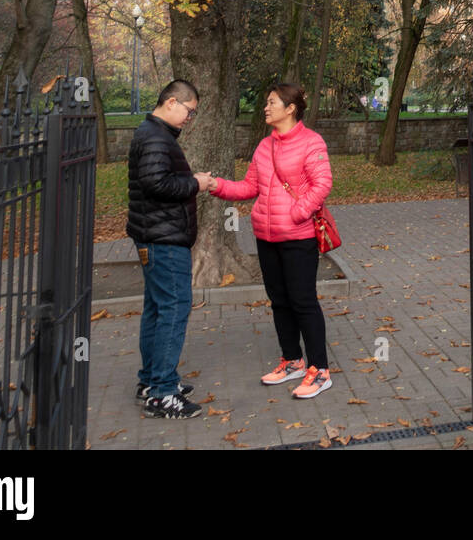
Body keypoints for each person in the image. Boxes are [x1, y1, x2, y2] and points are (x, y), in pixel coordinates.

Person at [205, 82, 334, 399]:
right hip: (266, 235)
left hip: (298, 236)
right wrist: (217, 185)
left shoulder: (311, 142)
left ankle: (320, 371)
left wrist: (297, 212)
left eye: (272, 102)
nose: (266, 107)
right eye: (266, 102)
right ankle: (292, 360)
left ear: (290, 108)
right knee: (279, 302)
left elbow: (322, 183)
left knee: (303, 301)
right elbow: (250, 187)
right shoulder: (265, 147)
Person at [126, 78, 213, 419]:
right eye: (189, 111)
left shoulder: (152, 134)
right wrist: (196, 183)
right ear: (172, 102)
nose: (189, 119)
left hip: (154, 234)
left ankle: (152, 381)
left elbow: (155, 179)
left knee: (157, 309)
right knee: (174, 309)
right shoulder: (155, 137)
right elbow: (156, 183)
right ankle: (161, 393)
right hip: (163, 239)